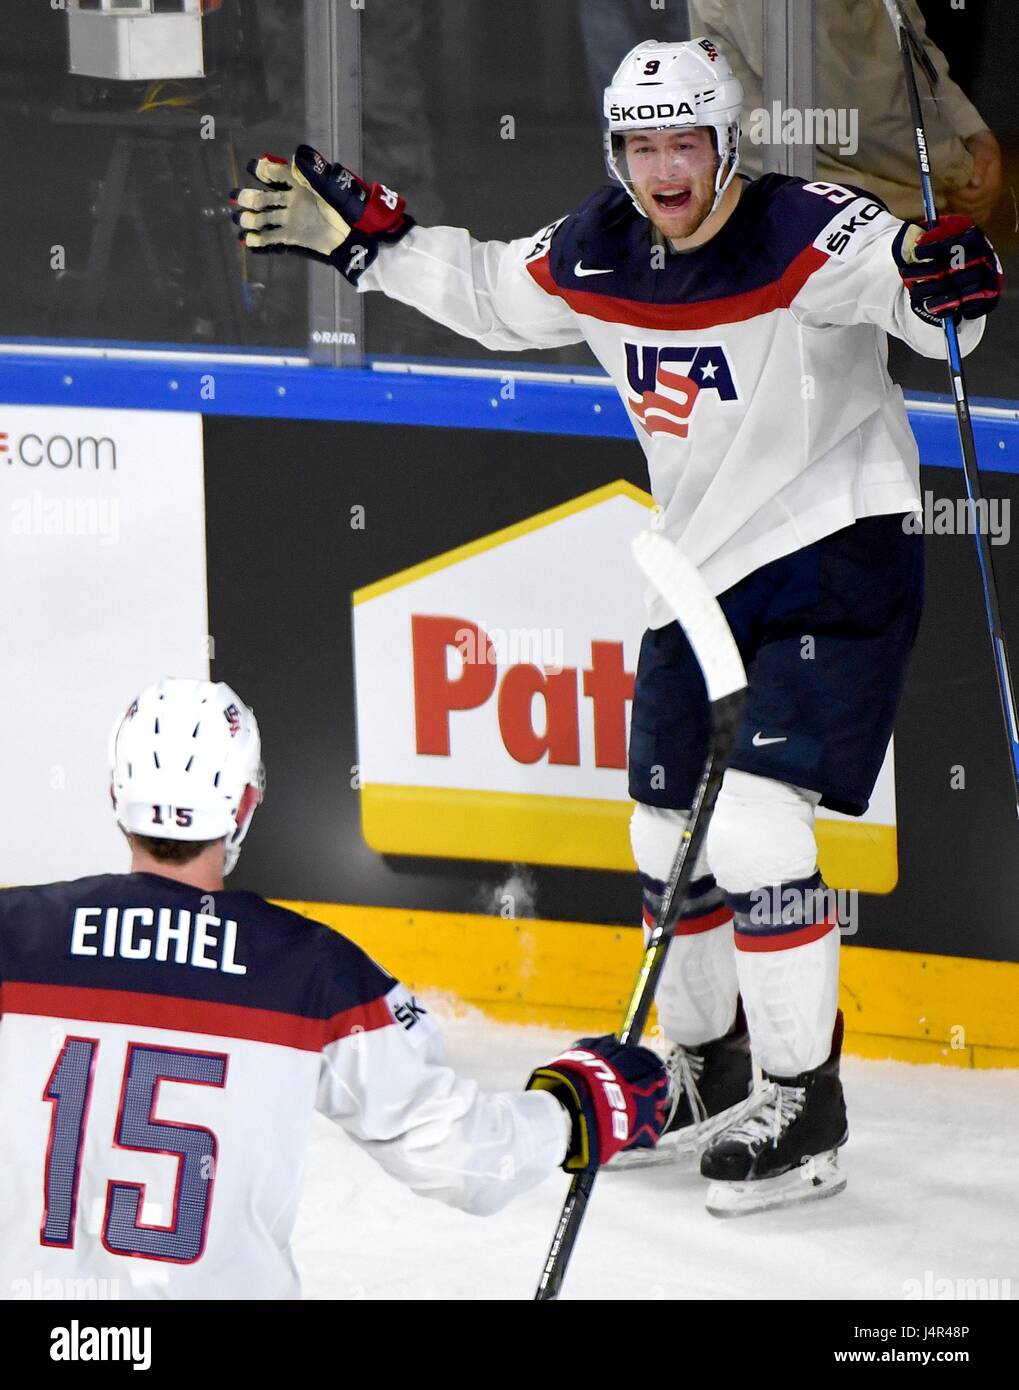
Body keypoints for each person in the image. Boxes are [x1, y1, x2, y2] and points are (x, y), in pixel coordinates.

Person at [231, 37, 1001, 1215]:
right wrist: (370, 249)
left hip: (834, 543)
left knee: (751, 825)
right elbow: (493, 294)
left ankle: (804, 1101)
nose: (661, 169)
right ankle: (704, 1069)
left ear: (726, 144)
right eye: (639, 147)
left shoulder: (804, 229)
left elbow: (911, 290)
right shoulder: (599, 244)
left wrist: (947, 276)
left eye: (683, 142)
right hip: (697, 566)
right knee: (659, 828)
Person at [0, 678, 668, 1299]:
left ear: (114, 795)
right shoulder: (312, 969)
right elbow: (463, 1159)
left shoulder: (14, 933)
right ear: (245, 804)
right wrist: (576, 1107)